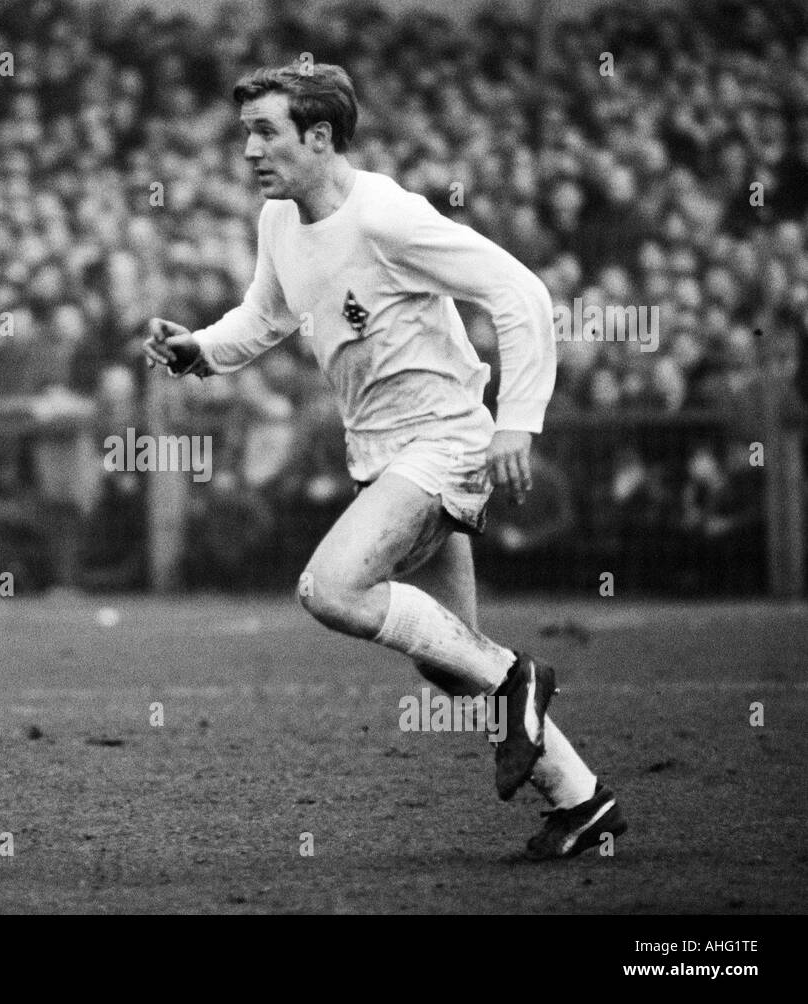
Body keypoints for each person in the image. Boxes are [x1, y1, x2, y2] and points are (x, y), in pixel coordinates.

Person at [143, 63, 626, 860]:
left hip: (444, 442)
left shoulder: (387, 217)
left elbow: (523, 294)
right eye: (245, 134)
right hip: (382, 455)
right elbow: (265, 316)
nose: (249, 151)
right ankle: (582, 802)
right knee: (451, 664)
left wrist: (519, 423)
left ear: (321, 136)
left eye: (266, 132)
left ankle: (519, 680)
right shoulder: (280, 222)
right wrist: (200, 349)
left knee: (331, 589)